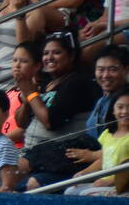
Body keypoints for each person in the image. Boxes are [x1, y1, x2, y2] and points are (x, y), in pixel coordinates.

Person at [13, 33, 103, 187]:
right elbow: (21, 122)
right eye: (46, 53)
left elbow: (50, 121)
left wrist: (31, 93)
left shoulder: (76, 83)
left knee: (23, 182)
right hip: (34, 153)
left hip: (60, 157)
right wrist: (30, 95)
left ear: (72, 55)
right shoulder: (45, 83)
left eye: (57, 52)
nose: (50, 57)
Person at [66, 87, 129, 195]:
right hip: (104, 184)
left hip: (123, 187)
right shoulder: (107, 134)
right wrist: (83, 173)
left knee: (87, 195)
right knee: (70, 191)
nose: (125, 111)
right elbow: (103, 159)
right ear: (113, 110)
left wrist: (109, 181)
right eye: (120, 107)